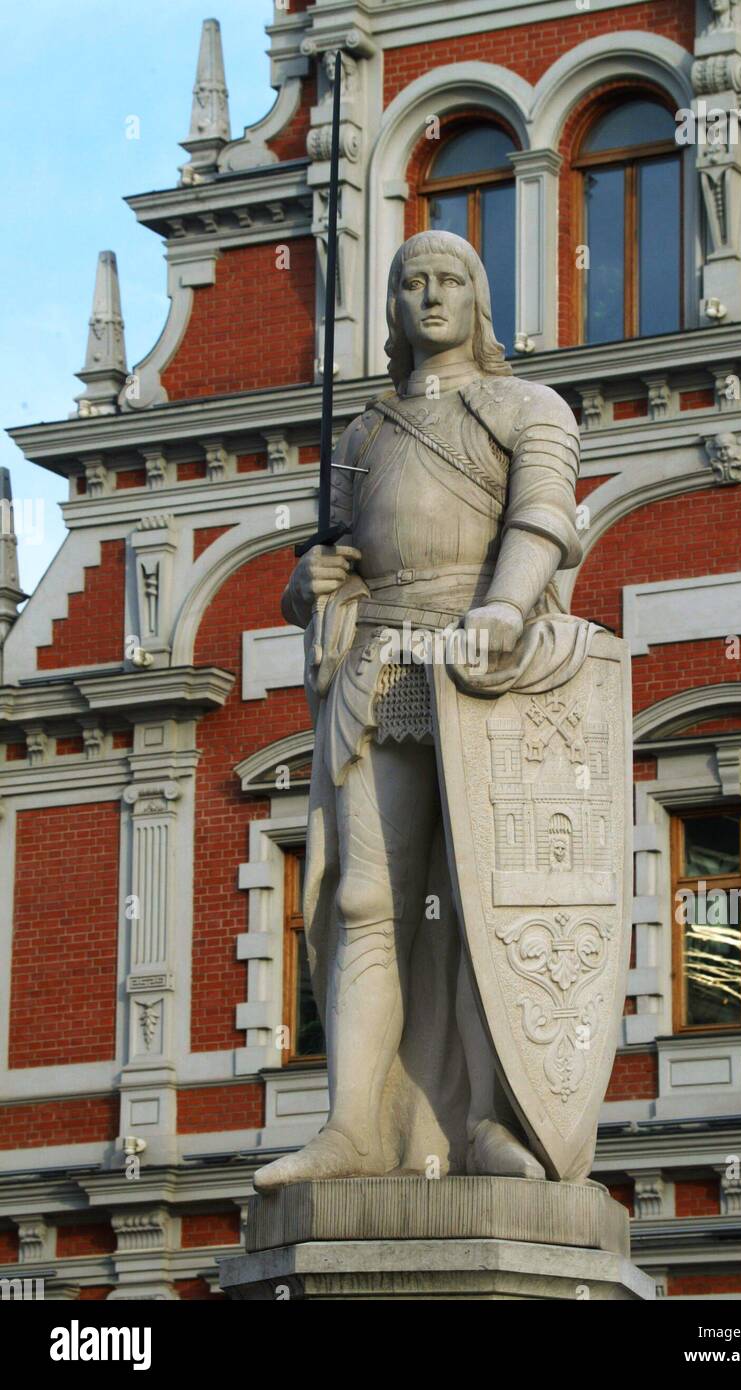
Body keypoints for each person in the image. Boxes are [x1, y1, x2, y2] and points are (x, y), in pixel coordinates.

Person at [254, 230, 583, 1190]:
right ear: (392, 307)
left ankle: (495, 1117)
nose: (429, 296)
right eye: (410, 284)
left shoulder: (532, 406)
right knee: (365, 902)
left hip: (488, 669)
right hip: (380, 664)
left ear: (480, 300)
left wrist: (502, 609)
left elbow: (542, 522)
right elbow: (331, 559)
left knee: (488, 905)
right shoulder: (363, 433)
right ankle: (353, 1126)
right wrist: (301, 579)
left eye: (449, 281)